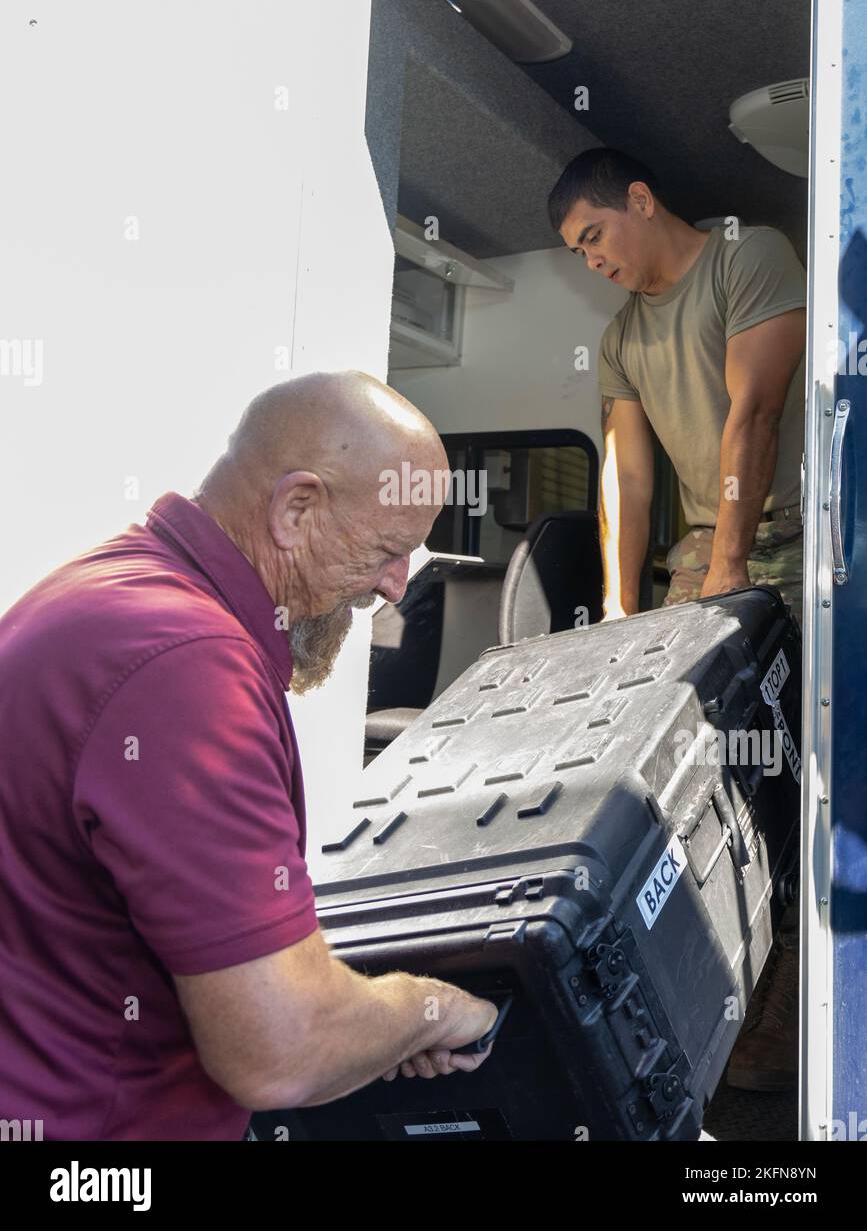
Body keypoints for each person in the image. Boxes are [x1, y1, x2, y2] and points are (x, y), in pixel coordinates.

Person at [0, 371, 498, 1140]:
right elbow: (282, 1052)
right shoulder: (186, 669)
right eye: (386, 550)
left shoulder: (107, 588)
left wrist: (361, 1029)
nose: (397, 588)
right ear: (296, 510)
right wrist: (431, 1010)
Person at [549, 148, 806, 1092]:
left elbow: (757, 411)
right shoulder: (620, 338)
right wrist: (622, 614)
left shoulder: (751, 256)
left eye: (593, 236)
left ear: (641, 201)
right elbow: (625, 474)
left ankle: (786, 1033)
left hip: (791, 539)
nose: (591, 261)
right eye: (576, 253)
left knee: (785, 778)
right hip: (701, 550)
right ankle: (700, 1015)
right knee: (676, 777)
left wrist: (735, 570)